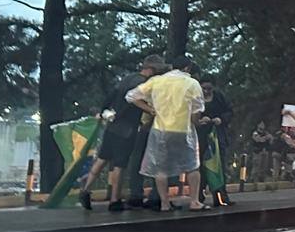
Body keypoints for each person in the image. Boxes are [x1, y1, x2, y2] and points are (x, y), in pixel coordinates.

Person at [79, 54, 166, 211]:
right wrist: (152, 110)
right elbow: (133, 100)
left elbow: (111, 95)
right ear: (151, 69)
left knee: (102, 159)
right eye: (158, 71)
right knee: (120, 164)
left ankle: (85, 189)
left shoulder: (127, 78)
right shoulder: (143, 84)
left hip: (112, 124)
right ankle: (115, 200)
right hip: (127, 128)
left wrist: (104, 111)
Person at [127, 55, 207, 211]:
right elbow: (197, 109)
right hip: (183, 129)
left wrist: (150, 109)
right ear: (187, 68)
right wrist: (196, 122)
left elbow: (131, 96)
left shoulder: (157, 81)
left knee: (160, 168)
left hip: (160, 130)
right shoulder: (192, 83)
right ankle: (194, 201)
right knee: (192, 166)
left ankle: (164, 203)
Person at [198, 78, 234, 207]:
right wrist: (200, 120)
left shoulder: (219, 97)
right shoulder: (195, 97)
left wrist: (222, 119)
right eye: (204, 89)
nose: (207, 91)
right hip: (201, 136)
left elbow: (230, 111)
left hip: (218, 135)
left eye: (209, 89)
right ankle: (198, 196)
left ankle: (220, 197)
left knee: (219, 166)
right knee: (200, 166)